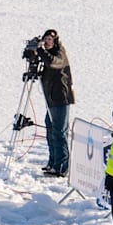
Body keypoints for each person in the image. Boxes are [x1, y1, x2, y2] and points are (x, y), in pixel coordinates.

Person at [37, 29, 75, 177]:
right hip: (51, 99)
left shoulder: (60, 54)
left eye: (50, 40)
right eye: (45, 39)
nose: (47, 42)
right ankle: (53, 162)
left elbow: (53, 63)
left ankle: (62, 166)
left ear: (55, 41)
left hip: (61, 98)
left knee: (59, 132)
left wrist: (40, 51)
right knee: (50, 129)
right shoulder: (46, 55)